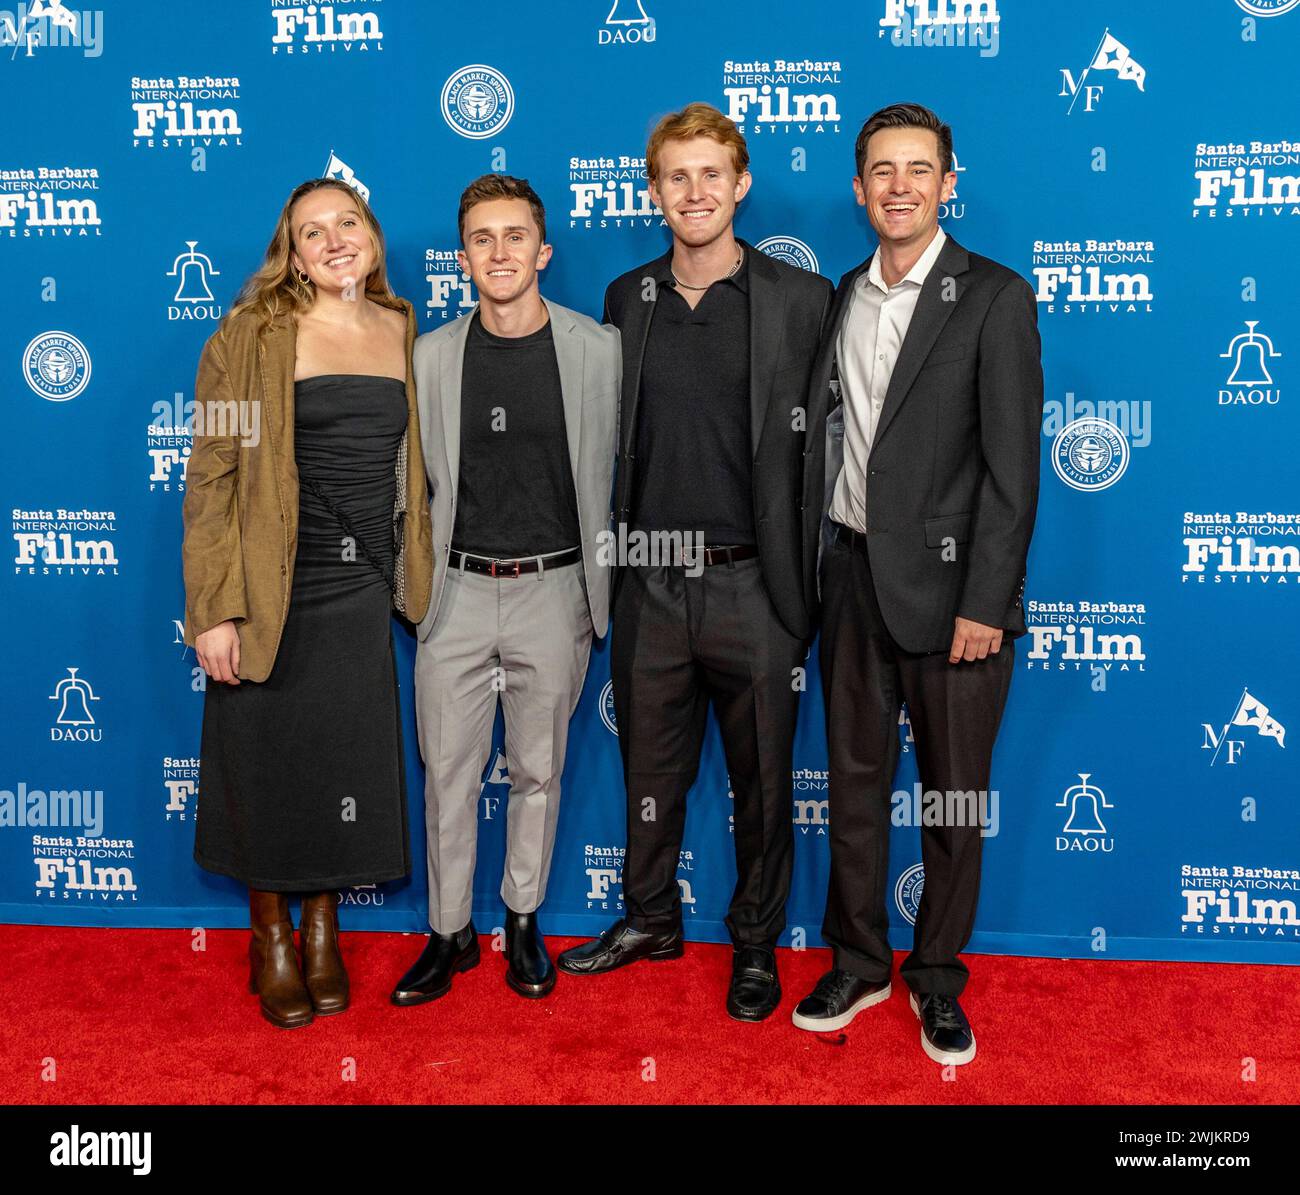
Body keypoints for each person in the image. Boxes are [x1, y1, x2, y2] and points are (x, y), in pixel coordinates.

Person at [556, 103, 832, 1022]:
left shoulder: (800, 298)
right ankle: (650, 917)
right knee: (651, 772)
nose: (696, 191)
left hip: (757, 580)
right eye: (677, 176)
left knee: (762, 780)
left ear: (741, 184)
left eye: (712, 173)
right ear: (654, 191)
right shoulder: (625, 299)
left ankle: (755, 944)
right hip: (649, 578)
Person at [795, 103, 1043, 1064]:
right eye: (881, 171)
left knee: (950, 797)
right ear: (858, 190)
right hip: (850, 580)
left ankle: (936, 977)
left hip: (954, 601)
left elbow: (1012, 473)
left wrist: (988, 601)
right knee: (855, 789)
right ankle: (857, 962)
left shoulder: (993, 297)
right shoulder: (840, 297)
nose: (899, 185)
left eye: (918, 169)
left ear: (949, 181)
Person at [183, 178, 433, 1029]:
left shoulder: (404, 330)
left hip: (363, 582)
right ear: (290, 254)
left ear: (372, 233)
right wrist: (213, 606)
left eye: (347, 223)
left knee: (338, 757)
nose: (333, 242)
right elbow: (213, 474)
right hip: (269, 581)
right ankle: (271, 934)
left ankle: (321, 925)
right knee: (266, 752)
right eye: (311, 232)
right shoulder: (254, 334)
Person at [390, 175, 619, 1005]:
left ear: (543, 250)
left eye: (515, 236)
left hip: (556, 591)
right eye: (482, 239)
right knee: (446, 771)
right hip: (452, 594)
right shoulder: (429, 356)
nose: (499, 252)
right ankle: (449, 933)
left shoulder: (598, 348)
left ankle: (522, 919)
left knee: (537, 769)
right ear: (463, 257)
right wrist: (407, 583)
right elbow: (403, 482)